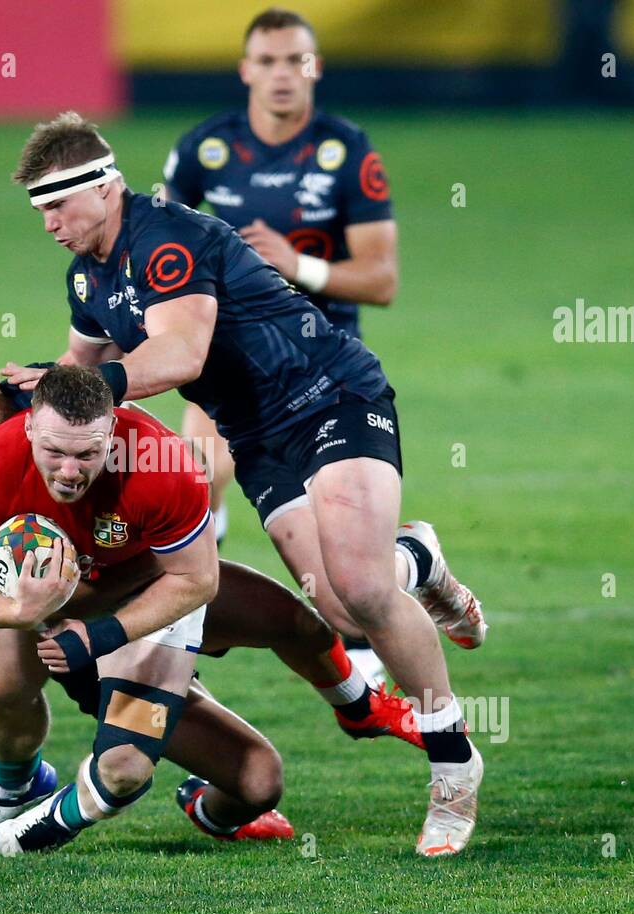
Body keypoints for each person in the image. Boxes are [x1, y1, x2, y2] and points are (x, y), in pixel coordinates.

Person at [3, 113, 486, 855]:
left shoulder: (162, 238)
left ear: (103, 187)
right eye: (38, 211)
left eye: (57, 205)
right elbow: (74, 384)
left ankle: (454, 767)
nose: (48, 224)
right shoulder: (86, 278)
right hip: (259, 436)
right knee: (340, 607)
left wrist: (82, 381)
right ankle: (415, 560)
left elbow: (182, 355)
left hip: (330, 393)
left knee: (359, 586)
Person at [0, 340, 427, 850]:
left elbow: (196, 580)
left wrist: (101, 627)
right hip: (71, 615)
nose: (68, 469)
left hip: (145, 594)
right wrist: (25, 609)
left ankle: (357, 709)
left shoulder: (151, 456)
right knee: (6, 687)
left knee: (284, 684)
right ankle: (14, 789)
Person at [161, 7, 411, 679]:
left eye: (295, 60)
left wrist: (296, 266)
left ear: (315, 69)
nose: (281, 75)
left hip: (322, 371)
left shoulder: (346, 152)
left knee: (342, 547)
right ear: (245, 70)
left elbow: (382, 279)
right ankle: (190, 621)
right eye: (267, 61)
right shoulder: (202, 151)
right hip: (230, 362)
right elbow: (157, 244)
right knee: (193, 473)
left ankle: (391, 584)